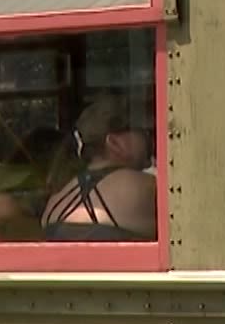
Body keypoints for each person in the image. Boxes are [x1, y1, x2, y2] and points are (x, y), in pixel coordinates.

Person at [42, 96, 157, 241]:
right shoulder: (143, 186)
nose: (150, 139)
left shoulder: (56, 198)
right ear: (114, 142)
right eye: (143, 132)